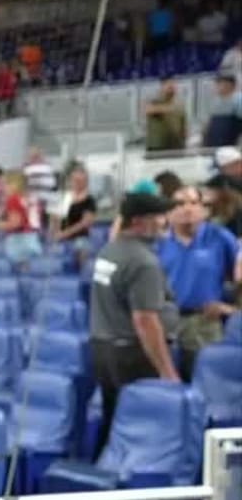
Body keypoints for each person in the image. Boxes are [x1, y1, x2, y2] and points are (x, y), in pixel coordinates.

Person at [88, 192, 180, 457]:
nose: (165, 222)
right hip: (132, 356)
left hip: (103, 348)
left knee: (112, 421)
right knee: (138, 431)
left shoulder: (110, 250)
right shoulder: (143, 262)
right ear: (139, 222)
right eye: (159, 217)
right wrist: (166, 370)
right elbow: (145, 320)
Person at [156, 185, 240, 380]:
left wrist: (231, 308)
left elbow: (237, 276)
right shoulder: (157, 242)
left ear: (203, 210)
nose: (187, 209)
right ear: (168, 212)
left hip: (205, 324)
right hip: (168, 323)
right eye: (179, 204)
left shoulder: (220, 237)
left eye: (194, 203)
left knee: (209, 383)